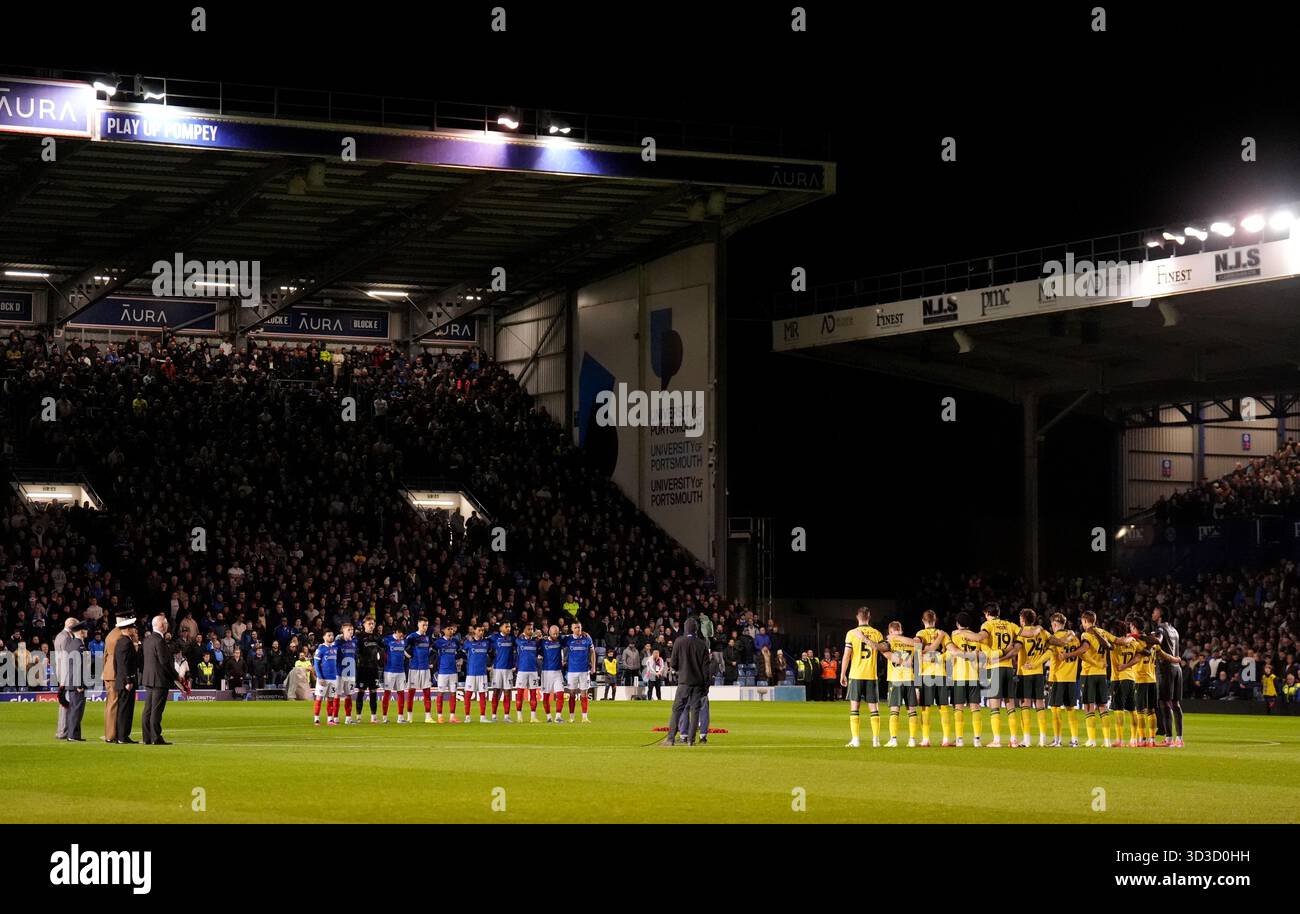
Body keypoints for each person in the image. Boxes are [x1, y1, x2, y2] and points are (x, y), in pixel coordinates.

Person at [840, 606, 890, 748]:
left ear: (857, 617)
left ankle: (855, 740)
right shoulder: (877, 634)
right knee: (874, 709)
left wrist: (842, 674)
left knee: (855, 708)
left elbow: (846, 656)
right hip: (871, 675)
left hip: (855, 675)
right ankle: (876, 740)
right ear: (869, 617)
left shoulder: (852, 633)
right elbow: (885, 653)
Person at [662, 617, 711, 747]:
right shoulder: (702, 644)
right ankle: (691, 740)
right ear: (696, 629)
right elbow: (706, 669)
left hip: (684, 681)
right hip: (698, 683)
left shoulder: (679, 642)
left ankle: (671, 738)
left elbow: (673, 663)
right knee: (695, 711)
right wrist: (706, 687)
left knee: (677, 709)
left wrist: (681, 670)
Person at [141, 614, 182, 745]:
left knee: (147, 709)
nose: (167, 625)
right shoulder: (160, 641)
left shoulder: (147, 640)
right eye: (165, 623)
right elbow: (164, 662)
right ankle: (156, 737)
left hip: (148, 679)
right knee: (156, 710)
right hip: (159, 680)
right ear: (161, 625)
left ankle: (147, 737)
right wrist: (176, 676)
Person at [1151, 605, 1185, 747]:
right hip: (1177, 669)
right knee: (1175, 704)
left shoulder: (1160, 629)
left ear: (1160, 614)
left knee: (1164, 703)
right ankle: (1179, 738)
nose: (1153, 613)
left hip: (1165, 670)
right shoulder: (1174, 630)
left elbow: (1158, 641)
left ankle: (1169, 738)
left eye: (1155, 611)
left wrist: (1148, 638)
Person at [53, 618, 88, 742]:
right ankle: (68, 733)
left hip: (68, 677)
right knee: (73, 707)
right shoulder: (70, 641)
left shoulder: (64, 638)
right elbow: (75, 665)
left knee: (72, 707)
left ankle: (71, 733)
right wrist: (77, 682)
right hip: (70, 678)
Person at [102, 614, 133, 743]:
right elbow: (121, 659)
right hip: (115, 672)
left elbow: (105, 655)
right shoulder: (120, 637)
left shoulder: (110, 634)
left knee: (110, 703)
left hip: (108, 671)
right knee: (114, 704)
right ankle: (111, 735)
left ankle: (110, 733)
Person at [562, 620, 595, 723]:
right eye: (576, 628)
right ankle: (571, 717)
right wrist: (562, 659)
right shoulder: (568, 639)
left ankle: (584, 717)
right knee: (571, 694)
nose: (578, 629)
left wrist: (593, 667)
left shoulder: (587, 638)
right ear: (572, 629)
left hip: (584, 671)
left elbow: (592, 652)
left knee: (584, 693)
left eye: (579, 627)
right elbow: (558, 645)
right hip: (572, 671)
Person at [354, 616, 384, 723]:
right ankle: (358, 717)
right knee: (361, 692)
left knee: (373, 692)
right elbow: (356, 651)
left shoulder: (377, 637)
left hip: (374, 668)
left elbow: (382, 649)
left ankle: (373, 718)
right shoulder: (359, 637)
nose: (371, 626)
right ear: (364, 624)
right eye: (369, 624)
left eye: (373, 624)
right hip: (363, 668)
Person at [112, 625, 139, 744]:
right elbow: (124, 663)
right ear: (128, 630)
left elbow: (117, 664)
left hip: (122, 680)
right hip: (125, 682)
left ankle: (123, 735)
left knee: (125, 709)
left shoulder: (121, 641)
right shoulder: (126, 642)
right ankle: (122, 736)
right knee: (125, 710)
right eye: (133, 628)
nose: (135, 630)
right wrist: (128, 680)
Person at [405, 618, 434, 724]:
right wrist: (408, 656)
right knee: (411, 693)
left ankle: (428, 717)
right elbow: (403, 646)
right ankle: (409, 717)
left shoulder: (427, 638)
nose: (425, 627)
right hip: (414, 668)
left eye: (426, 625)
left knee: (427, 693)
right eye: (423, 625)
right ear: (418, 624)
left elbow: (429, 651)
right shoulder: (412, 636)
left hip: (425, 668)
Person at [512, 621, 541, 722]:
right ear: (524, 630)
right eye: (528, 629)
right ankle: (519, 717)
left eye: (532, 629)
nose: (530, 631)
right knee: (520, 694)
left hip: (533, 670)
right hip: (522, 671)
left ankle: (533, 717)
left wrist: (539, 636)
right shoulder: (519, 641)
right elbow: (514, 639)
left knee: (533, 694)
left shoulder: (536, 642)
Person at [487, 621, 516, 723]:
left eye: (509, 627)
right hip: (498, 668)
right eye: (506, 627)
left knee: (508, 692)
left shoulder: (512, 638)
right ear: (501, 628)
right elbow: (486, 646)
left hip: (508, 669)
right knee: (496, 691)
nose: (508, 628)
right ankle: (494, 716)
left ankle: (506, 716)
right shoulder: (494, 637)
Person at [434, 624, 462, 723]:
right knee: (440, 693)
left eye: (452, 629)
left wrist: (460, 658)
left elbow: (459, 652)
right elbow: (432, 651)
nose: (451, 630)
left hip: (453, 671)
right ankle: (440, 716)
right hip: (443, 671)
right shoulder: (438, 642)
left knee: (453, 693)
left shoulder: (455, 641)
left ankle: (452, 717)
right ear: (443, 630)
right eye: (448, 629)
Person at [462, 624, 491, 723]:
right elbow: (461, 652)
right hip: (471, 673)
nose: (481, 632)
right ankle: (467, 717)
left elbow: (492, 653)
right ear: (474, 631)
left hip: (482, 673)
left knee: (483, 695)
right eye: (479, 630)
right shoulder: (468, 643)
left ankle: (483, 717)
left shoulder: (486, 642)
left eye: (482, 630)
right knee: (468, 695)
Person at [312, 630, 340, 726]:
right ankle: (316, 719)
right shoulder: (320, 649)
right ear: (324, 637)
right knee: (319, 698)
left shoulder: (335, 648)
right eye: (329, 635)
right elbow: (316, 664)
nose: (331, 637)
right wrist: (319, 677)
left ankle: (330, 719)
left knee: (331, 699)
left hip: (333, 678)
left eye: (332, 635)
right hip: (323, 678)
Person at [381, 624, 407, 723]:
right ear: (396, 631)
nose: (402, 636)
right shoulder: (387, 640)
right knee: (387, 693)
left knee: (401, 693)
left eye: (403, 634)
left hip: (401, 671)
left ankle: (400, 718)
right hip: (389, 671)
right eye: (401, 633)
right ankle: (384, 718)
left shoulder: (403, 641)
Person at [540, 625, 566, 721]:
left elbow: (570, 638)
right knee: (546, 696)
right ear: (549, 633)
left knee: (560, 694)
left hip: (558, 672)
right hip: (546, 672)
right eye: (554, 633)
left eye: (557, 633)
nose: (556, 635)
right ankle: (548, 717)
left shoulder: (560, 640)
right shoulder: (543, 642)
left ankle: (558, 716)